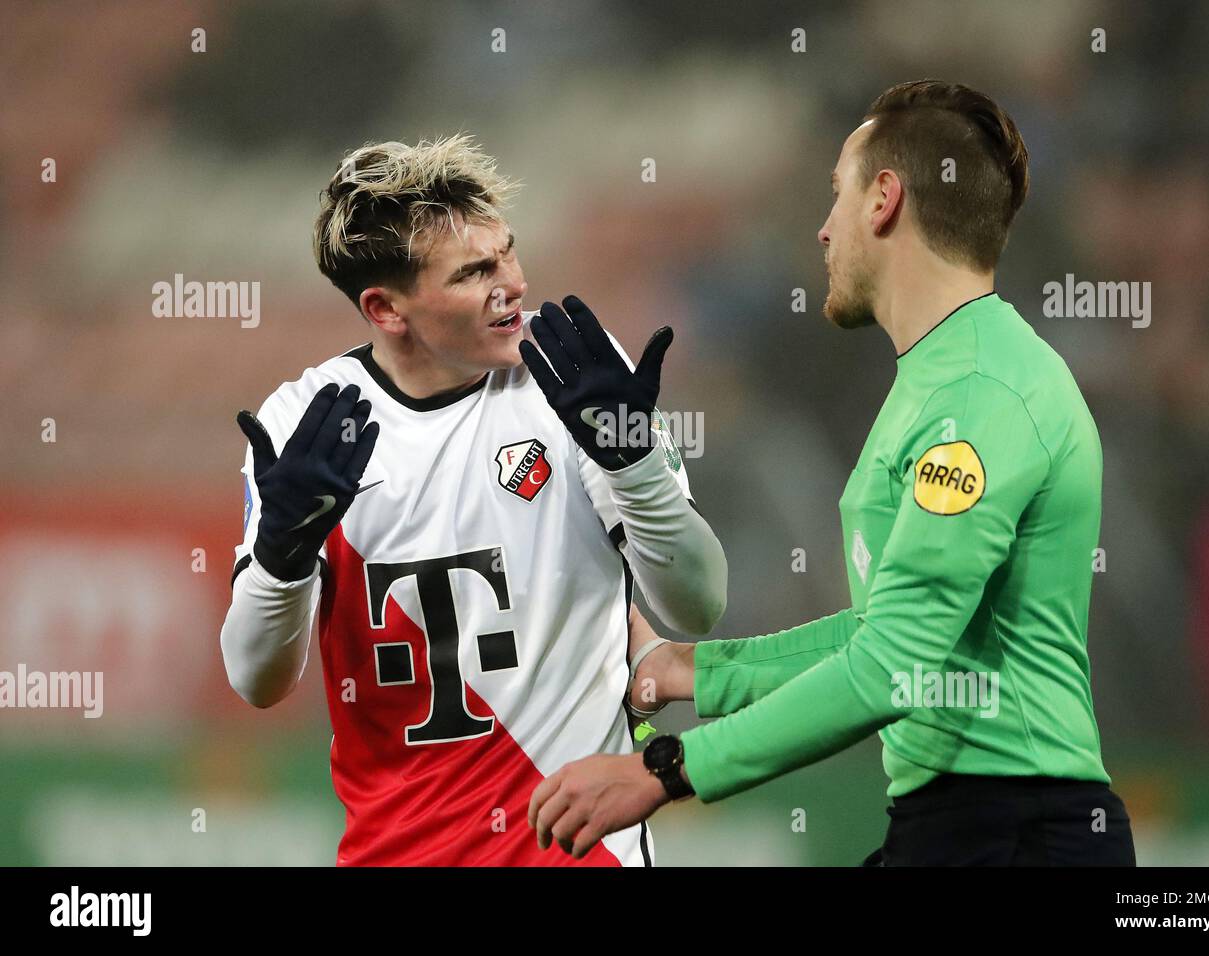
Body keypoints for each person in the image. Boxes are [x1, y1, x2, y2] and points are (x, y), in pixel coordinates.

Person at [528, 80, 1136, 867]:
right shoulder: (948, 377)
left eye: (836, 196)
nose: (822, 231)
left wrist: (667, 770)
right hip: (974, 828)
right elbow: (890, 635)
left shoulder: (978, 398)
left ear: (885, 199)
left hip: (1012, 835)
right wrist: (692, 671)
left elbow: (895, 665)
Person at [219, 135, 727, 866]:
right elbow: (255, 681)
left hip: (581, 852)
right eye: (474, 272)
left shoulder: (575, 378)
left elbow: (699, 603)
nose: (512, 284)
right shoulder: (305, 426)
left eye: (509, 253)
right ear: (386, 308)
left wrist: (635, 464)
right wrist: (282, 556)